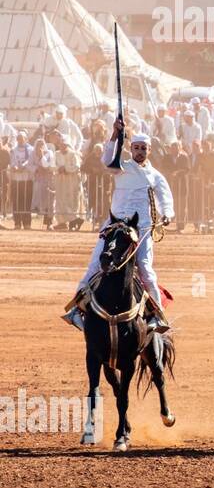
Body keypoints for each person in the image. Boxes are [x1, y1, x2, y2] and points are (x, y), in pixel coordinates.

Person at [64, 121, 174, 332]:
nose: (140, 151)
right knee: (95, 265)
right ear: (131, 149)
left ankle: (158, 315)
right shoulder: (121, 167)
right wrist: (115, 135)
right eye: (136, 148)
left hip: (141, 230)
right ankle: (76, 310)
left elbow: (165, 198)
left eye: (144, 148)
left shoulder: (155, 175)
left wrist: (167, 214)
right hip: (114, 227)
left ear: (149, 150)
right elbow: (106, 160)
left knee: (146, 271)